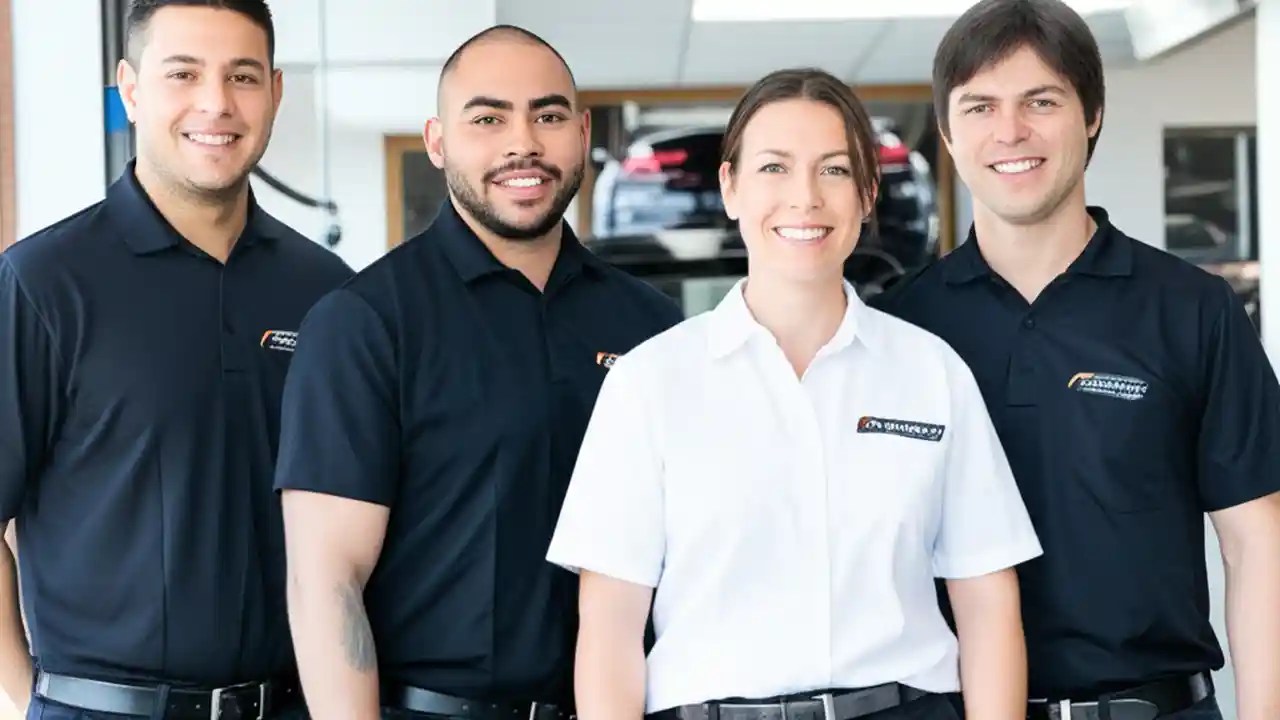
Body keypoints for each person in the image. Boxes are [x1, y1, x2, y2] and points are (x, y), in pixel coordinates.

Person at [544, 67, 1044, 720]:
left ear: (867, 195)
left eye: (834, 170)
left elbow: (986, 601)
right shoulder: (649, 383)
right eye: (774, 168)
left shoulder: (931, 372)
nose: (804, 197)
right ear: (731, 188)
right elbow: (609, 628)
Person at [870, 1, 1280, 719]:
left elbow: (1257, 543)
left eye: (1040, 100)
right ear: (946, 132)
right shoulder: (902, 330)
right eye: (980, 106)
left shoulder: (1192, 309)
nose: (1010, 132)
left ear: (1091, 113)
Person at [272, 24, 684, 720]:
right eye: (488, 118)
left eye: (548, 115)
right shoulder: (366, 323)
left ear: (582, 133)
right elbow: (325, 581)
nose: (522, 142)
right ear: (437, 141)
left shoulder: (651, 327)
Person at [0, 0, 353, 718]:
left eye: (243, 77)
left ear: (276, 93)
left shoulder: (328, 293)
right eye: (183, 74)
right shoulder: (43, 283)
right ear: (130, 89)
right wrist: (32, 697)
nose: (216, 104)